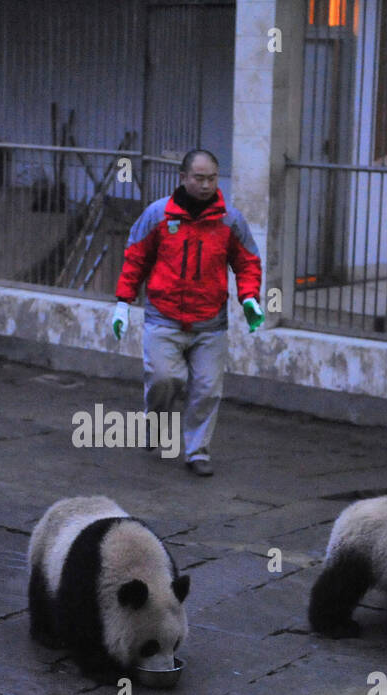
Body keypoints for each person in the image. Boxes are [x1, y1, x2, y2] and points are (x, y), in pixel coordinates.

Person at [113, 149, 264, 476]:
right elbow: (135, 258)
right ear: (183, 178)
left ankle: (197, 452)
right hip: (163, 317)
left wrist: (250, 298)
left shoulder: (230, 221)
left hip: (210, 323)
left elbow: (248, 262)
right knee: (166, 380)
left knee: (207, 389)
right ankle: (155, 427)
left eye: (212, 177)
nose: (207, 184)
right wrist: (123, 302)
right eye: (199, 178)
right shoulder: (158, 215)